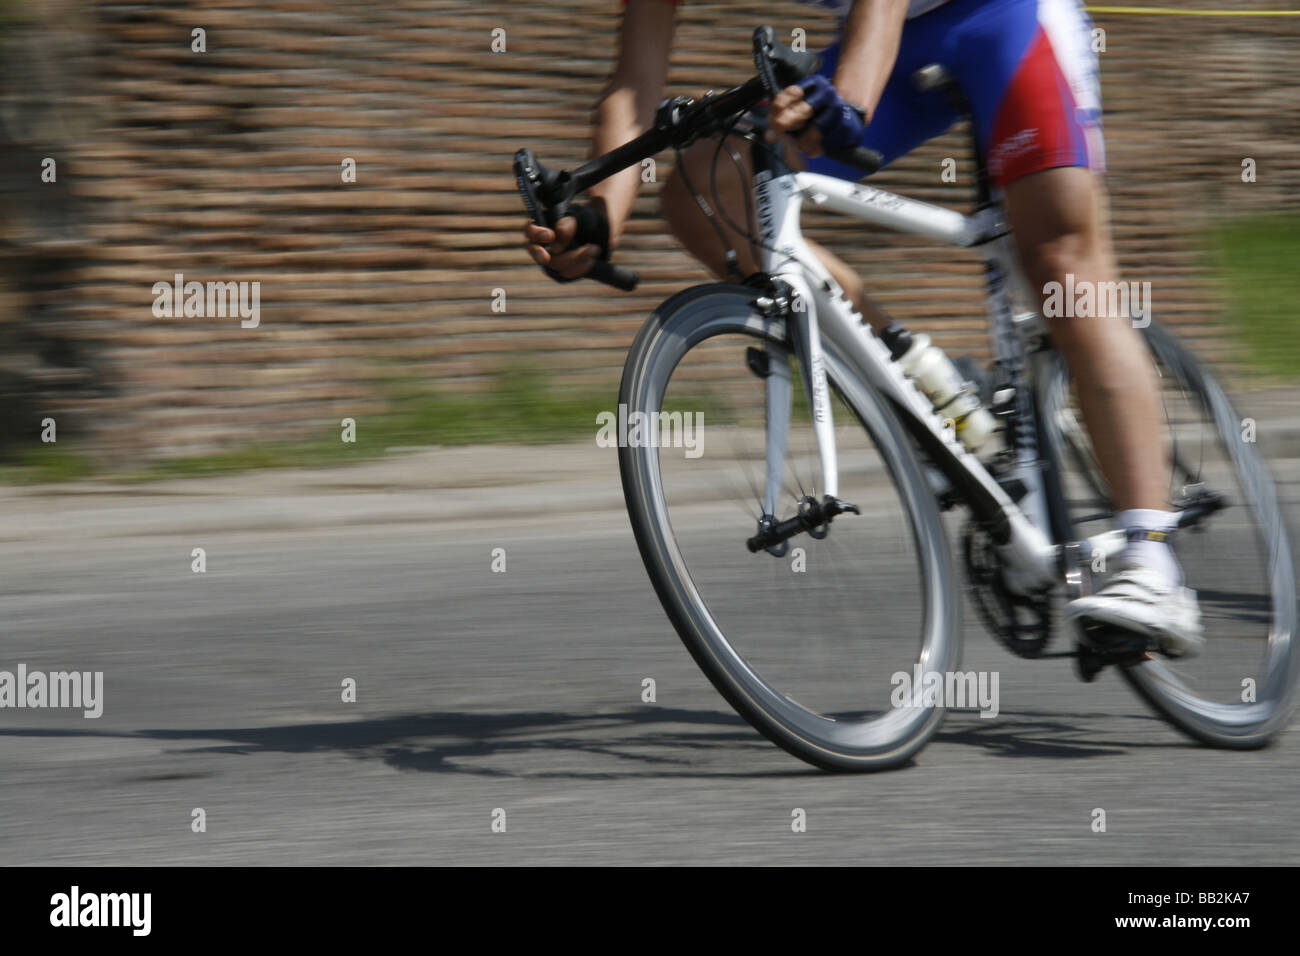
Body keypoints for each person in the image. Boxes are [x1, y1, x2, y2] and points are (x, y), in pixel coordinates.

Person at [522, 0, 1202, 656]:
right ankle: (919, 370)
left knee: (1060, 262)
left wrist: (847, 101)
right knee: (704, 198)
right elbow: (633, 84)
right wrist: (600, 210)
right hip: (896, 43)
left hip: (1007, 16)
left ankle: (1152, 563)